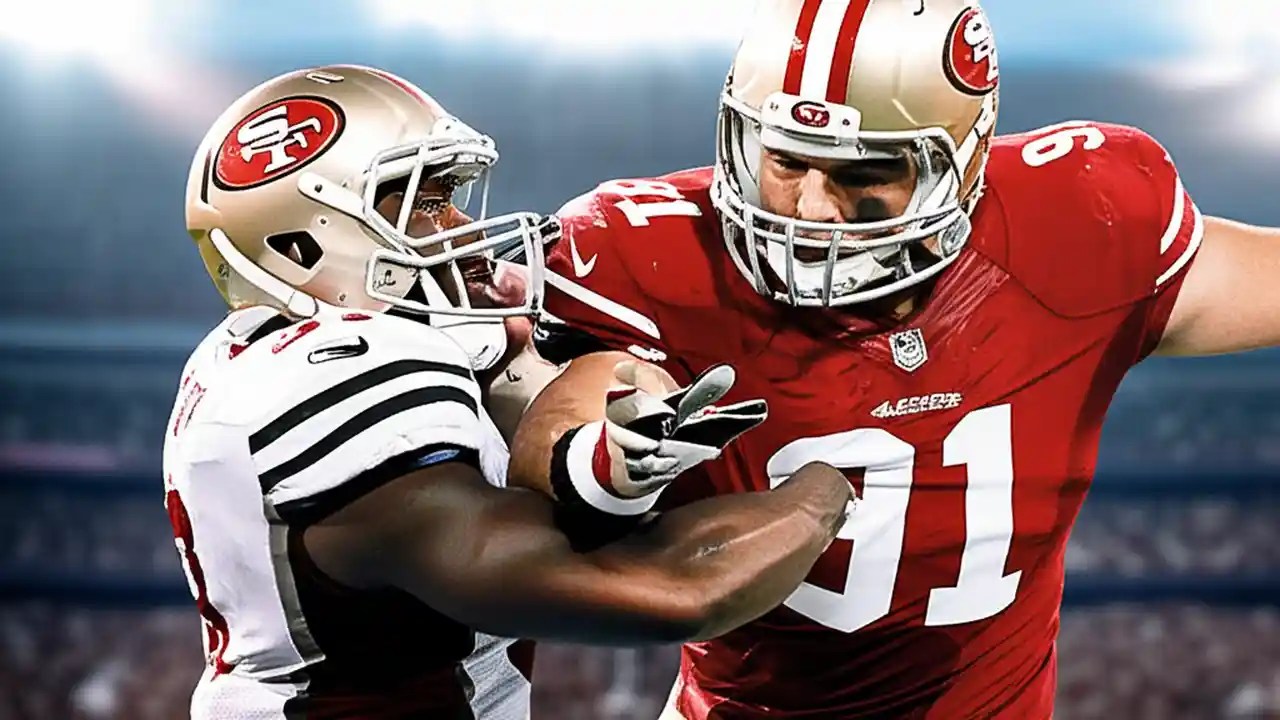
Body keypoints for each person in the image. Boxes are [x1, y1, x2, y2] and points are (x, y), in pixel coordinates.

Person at [506, 1, 1280, 717]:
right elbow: (576, 408)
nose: (810, 207)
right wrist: (605, 457)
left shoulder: (1084, 218)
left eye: (862, 172)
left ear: (965, 163)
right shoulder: (650, 250)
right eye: (786, 161)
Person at [168, 64, 851, 719]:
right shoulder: (337, 374)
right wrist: (819, 491)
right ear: (302, 246)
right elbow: (671, 591)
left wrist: (602, 462)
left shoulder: (256, 359)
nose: (461, 229)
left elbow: (554, 474)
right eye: (426, 205)